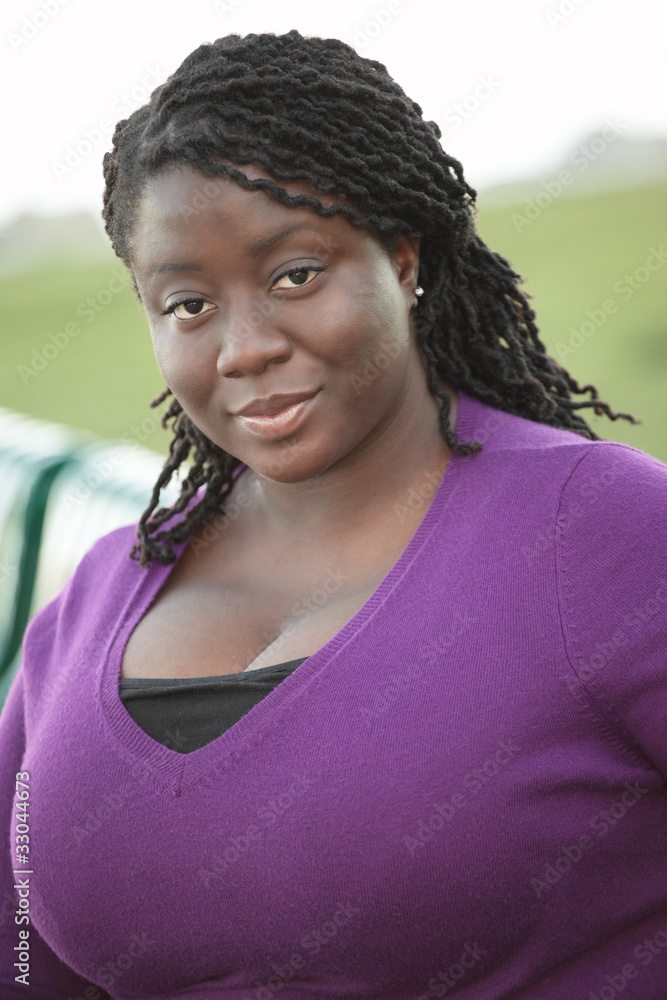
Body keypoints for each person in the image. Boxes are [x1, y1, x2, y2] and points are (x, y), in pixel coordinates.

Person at [1, 28, 666, 1000]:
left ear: (400, 260)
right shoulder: (99, 597)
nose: (244, 346)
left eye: (294, 275)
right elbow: (21, 957)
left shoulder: (598, 532)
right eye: (186, 304)